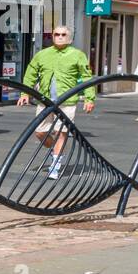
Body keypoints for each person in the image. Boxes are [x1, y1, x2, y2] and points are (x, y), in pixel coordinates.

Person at [16, 25, 95, 180]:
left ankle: (55, 165)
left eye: (63, 34)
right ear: (52, 36)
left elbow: (87, 77)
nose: (59, 36)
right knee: (40, 132)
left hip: (67, 102)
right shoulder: (42, 54)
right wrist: (25, 93)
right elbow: (30, 74)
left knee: (61, 133)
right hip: (44, 101)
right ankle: (56, 151)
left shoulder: (77, 55)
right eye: (56, 34)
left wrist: (89, 98)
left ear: (69, 38)